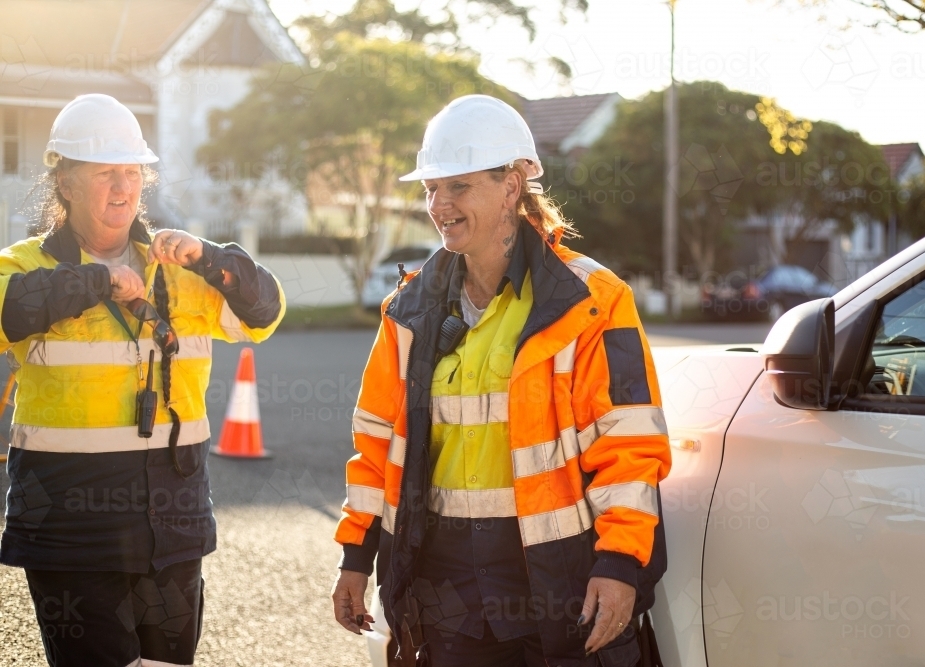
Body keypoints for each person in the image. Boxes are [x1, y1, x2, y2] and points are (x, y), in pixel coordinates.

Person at [331, 95, 671, 666]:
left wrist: (620, 564)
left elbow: (629, 445)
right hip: (444, 592)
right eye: (430, 189)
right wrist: (355, 557)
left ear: (512, 186)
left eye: (457, 187)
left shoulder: (592, 301)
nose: (439, 205)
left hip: (556, 584)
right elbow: (376, 442)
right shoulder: (408, 311)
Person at [0, 94, 284, 667]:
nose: (122, 187)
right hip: (68, 531)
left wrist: (210, 257)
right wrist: (95, 281)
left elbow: (266, 313)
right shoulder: (24, 264)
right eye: (105, 173)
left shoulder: (177, 271)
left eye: (131, 173)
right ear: (66, 181)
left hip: (170, 526)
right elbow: (11, 311)